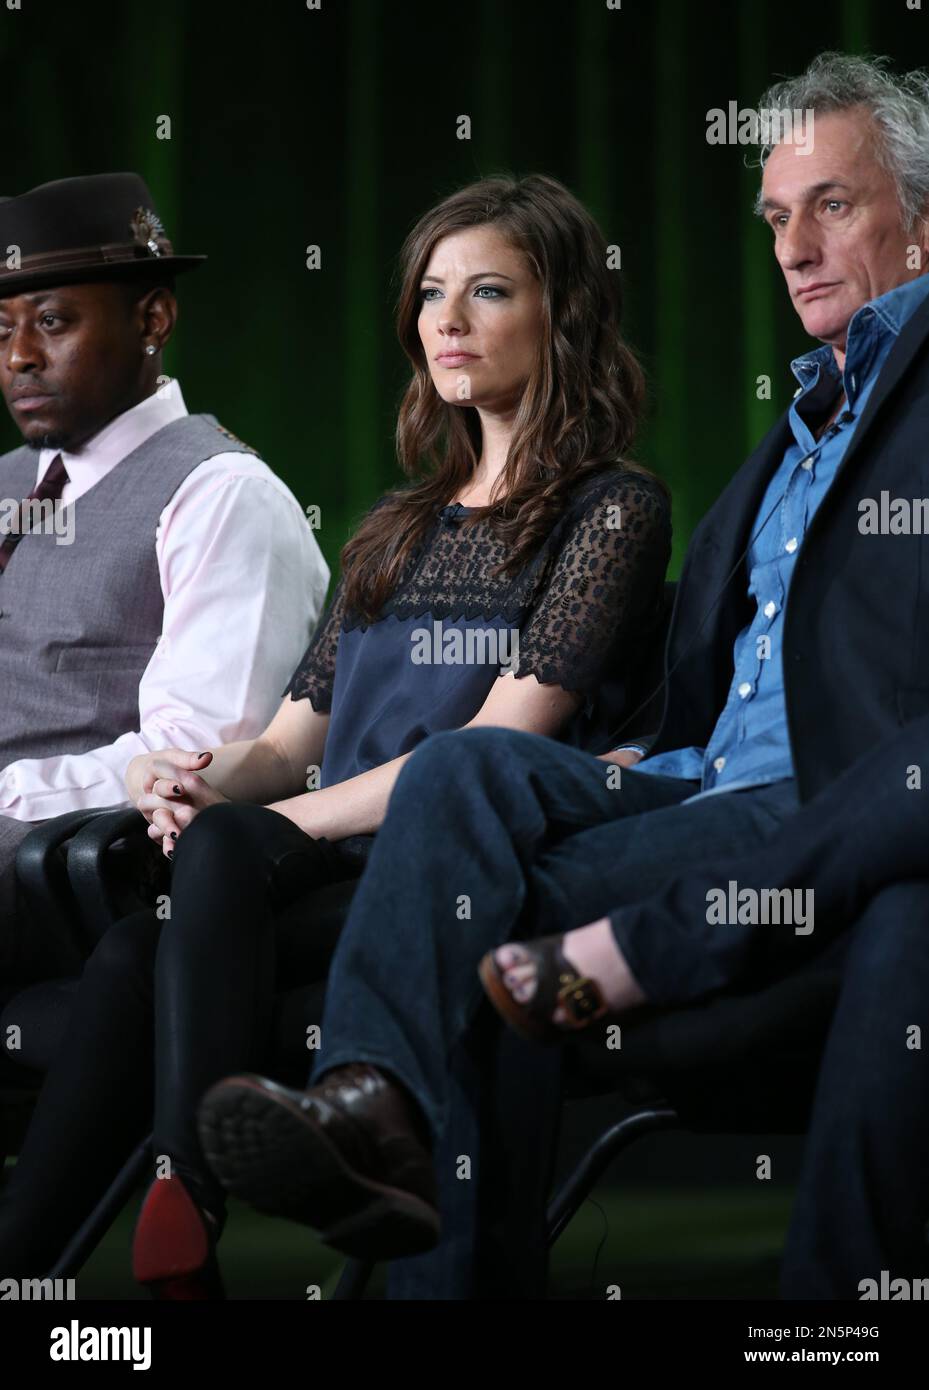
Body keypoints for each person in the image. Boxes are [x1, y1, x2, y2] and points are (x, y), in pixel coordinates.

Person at [198, 52, 929, 1299]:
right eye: (773, 217)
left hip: (825, 802)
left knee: (478, 900)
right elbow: (735, 663)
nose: (794, 246)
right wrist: (654, 748)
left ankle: (410, 1215)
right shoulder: (797, 428)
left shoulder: (855, 421)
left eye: (833, 205)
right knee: (473, 783)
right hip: (697, 787)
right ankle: (366, 1106)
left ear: (918, 220)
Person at [0, 174, 672, 1297]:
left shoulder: (610, 508)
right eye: (429, 295)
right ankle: (75, 1260)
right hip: (314, 870)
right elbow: (285, 741)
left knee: (201, 867)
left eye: (487, 292)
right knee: (132, 943)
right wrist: (197, 778)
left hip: (453, 871)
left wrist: (255, 821)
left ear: (562, 313)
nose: (445, 323)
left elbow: (497, 745)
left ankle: (181, 1206)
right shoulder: (393, 528)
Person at [0, 172, 328, 987]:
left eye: (51, 322)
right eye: (0, 327)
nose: (18, 356)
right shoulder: (8, 480)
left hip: (74, 880)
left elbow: (191, 770)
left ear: (153, 319)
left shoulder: (223, 496)